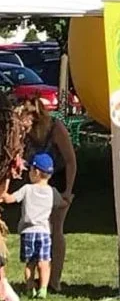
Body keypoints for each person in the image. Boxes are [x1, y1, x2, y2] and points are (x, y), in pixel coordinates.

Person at [16, 98, 77, 293]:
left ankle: (54, 279)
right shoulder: (24, 132)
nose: (26, 128)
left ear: (37, 118)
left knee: (55, 228)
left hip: (58, 179)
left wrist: (68, 190)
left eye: (28, 123)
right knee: (37, 226)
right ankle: (37, 276)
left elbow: (70, 161)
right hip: (35, 181)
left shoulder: (55, 129)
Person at [1, 152, 67, 299]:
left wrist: (4, 191)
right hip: (44, 233)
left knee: (30, 263)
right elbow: (62, 203)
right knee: (44, 262)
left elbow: (10, 199)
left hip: (28, 232)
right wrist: (68, 199)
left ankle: (30, 287)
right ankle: (43, 289)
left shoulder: (27, 189)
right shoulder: (52, 192)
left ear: (36, 172)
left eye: (30, 170)